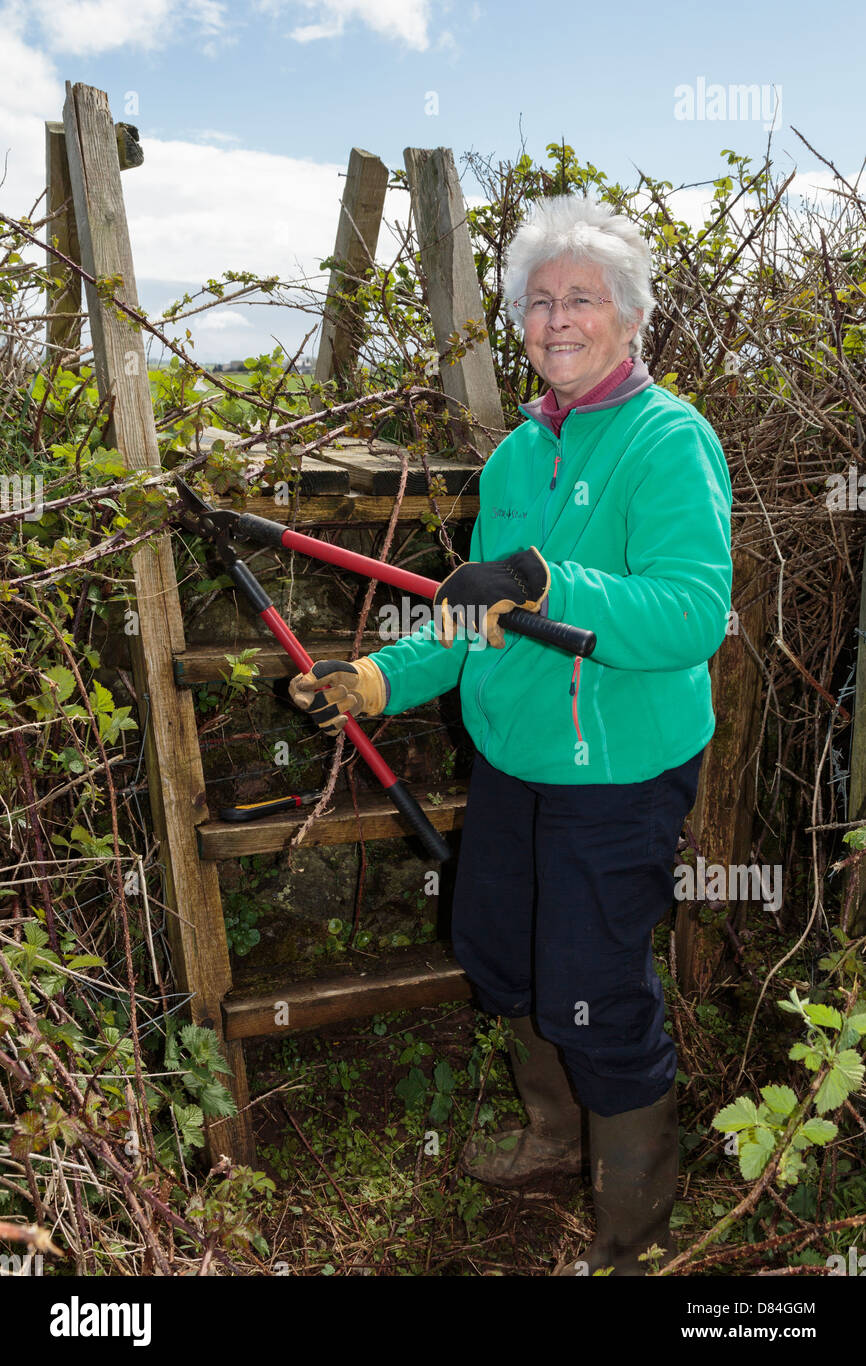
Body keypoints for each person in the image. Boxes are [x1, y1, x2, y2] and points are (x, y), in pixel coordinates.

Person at [289, 195, 733, 1276]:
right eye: (537, 300)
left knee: (596, 989)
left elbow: (686, 613)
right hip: (516, 763)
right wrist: (375, 678)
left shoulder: (669, 440)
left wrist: (547, 579)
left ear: (627, 317)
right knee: (499, 950)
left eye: (581, 297)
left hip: (617, 772)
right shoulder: (510, 460)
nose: (555, 316)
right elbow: (467, 618)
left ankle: (630, 1232)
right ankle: (549, 1139)